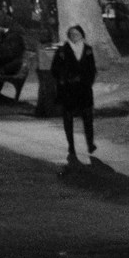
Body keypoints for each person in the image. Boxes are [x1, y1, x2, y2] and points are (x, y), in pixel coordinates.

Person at [44, 22, 100, 162]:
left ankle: (90, 143)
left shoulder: (87, 50)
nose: (74, 36)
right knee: (68, 118)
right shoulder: (62, 51)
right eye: (72, 34)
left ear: (82, 35)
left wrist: (88, 81)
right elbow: (55, 69)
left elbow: (92, 68)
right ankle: (71, 146)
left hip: (84, 89)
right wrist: (64, 79)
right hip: (68, 90)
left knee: (88, 117)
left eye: (77, 33)